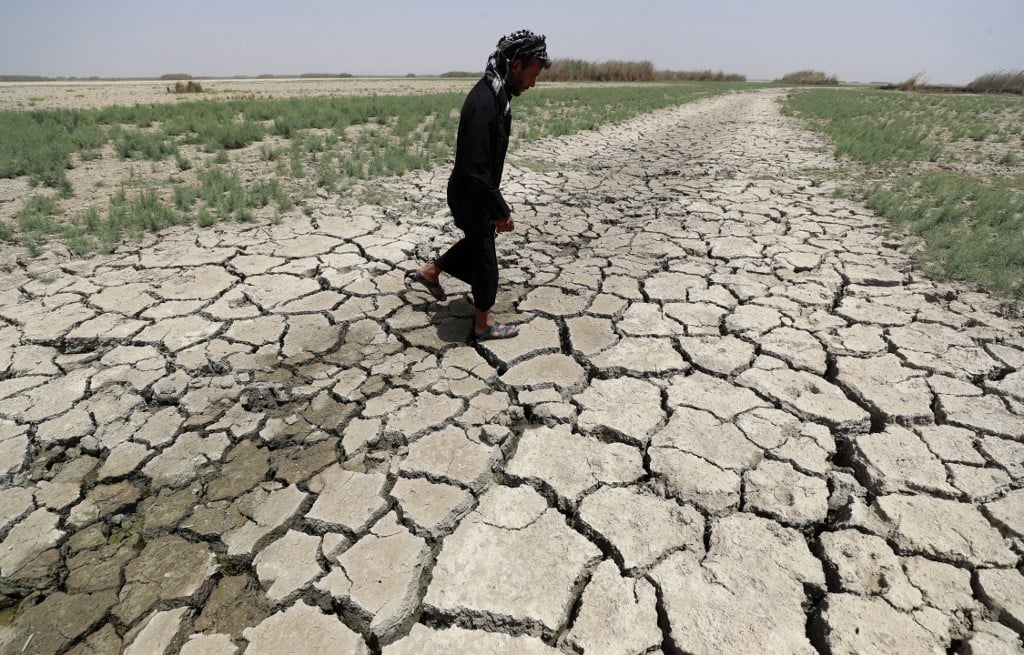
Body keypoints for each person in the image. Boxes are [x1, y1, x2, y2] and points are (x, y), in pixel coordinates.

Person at [406, 29, 550, 343]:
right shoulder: (486, 101)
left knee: (477, 242)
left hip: (472, 191)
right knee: (485, 260)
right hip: (472, 194)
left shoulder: (494, 93)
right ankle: (482, 326)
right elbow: (476, 169)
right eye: (532, 75)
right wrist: (500, 210)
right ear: (516, 65)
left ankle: (430, 272)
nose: (533, 83)